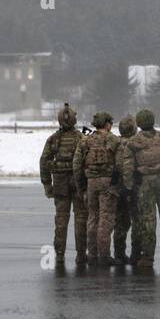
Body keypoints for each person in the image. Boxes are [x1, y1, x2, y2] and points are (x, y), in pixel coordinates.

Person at [118, 108, 160, 270]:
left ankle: (147, 257)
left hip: (145, 184)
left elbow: (128, 167)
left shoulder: (133, 142)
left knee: (148, 221)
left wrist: (130, 187)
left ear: (138, 123)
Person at [39, 103, 87, 264]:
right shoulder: (81, 138)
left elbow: (44, 161)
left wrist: (47, 184)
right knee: (81, 219)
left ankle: (59, 254)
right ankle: (81, 254)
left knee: (61, 220)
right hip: (78, 183)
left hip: (60, 184)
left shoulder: (54, 139)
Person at [73, 111, 120, 266]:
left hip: (91, 182)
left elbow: (77, 165)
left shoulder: (85, 141)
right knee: (105, 220)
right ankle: (104, 256)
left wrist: (82, 187)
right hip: (108, 183)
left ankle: (92, 254)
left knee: (92, 218)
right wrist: (119, 184)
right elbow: (121, 164)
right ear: (107, 124)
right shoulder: (113, 140)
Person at [113, 114, 140, 264]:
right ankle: (136, 254)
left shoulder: (115, 142)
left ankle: (119, 253)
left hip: (118, 187)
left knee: (120, 222)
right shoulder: (136, 143)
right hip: (134, 186)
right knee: (137, 221)